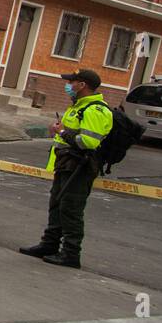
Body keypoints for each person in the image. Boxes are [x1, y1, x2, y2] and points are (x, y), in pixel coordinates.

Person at [19, 69, 114, 269]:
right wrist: (59, 129)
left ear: (83, 85)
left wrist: (61, 130)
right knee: (57, 204)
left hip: (80, 167)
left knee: (71, 209)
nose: (68, 85)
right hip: (66, 164)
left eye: (72, 82)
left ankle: (71, 254)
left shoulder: (95, 110)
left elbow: (88, 141)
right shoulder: (78, 106)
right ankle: (49, 245)